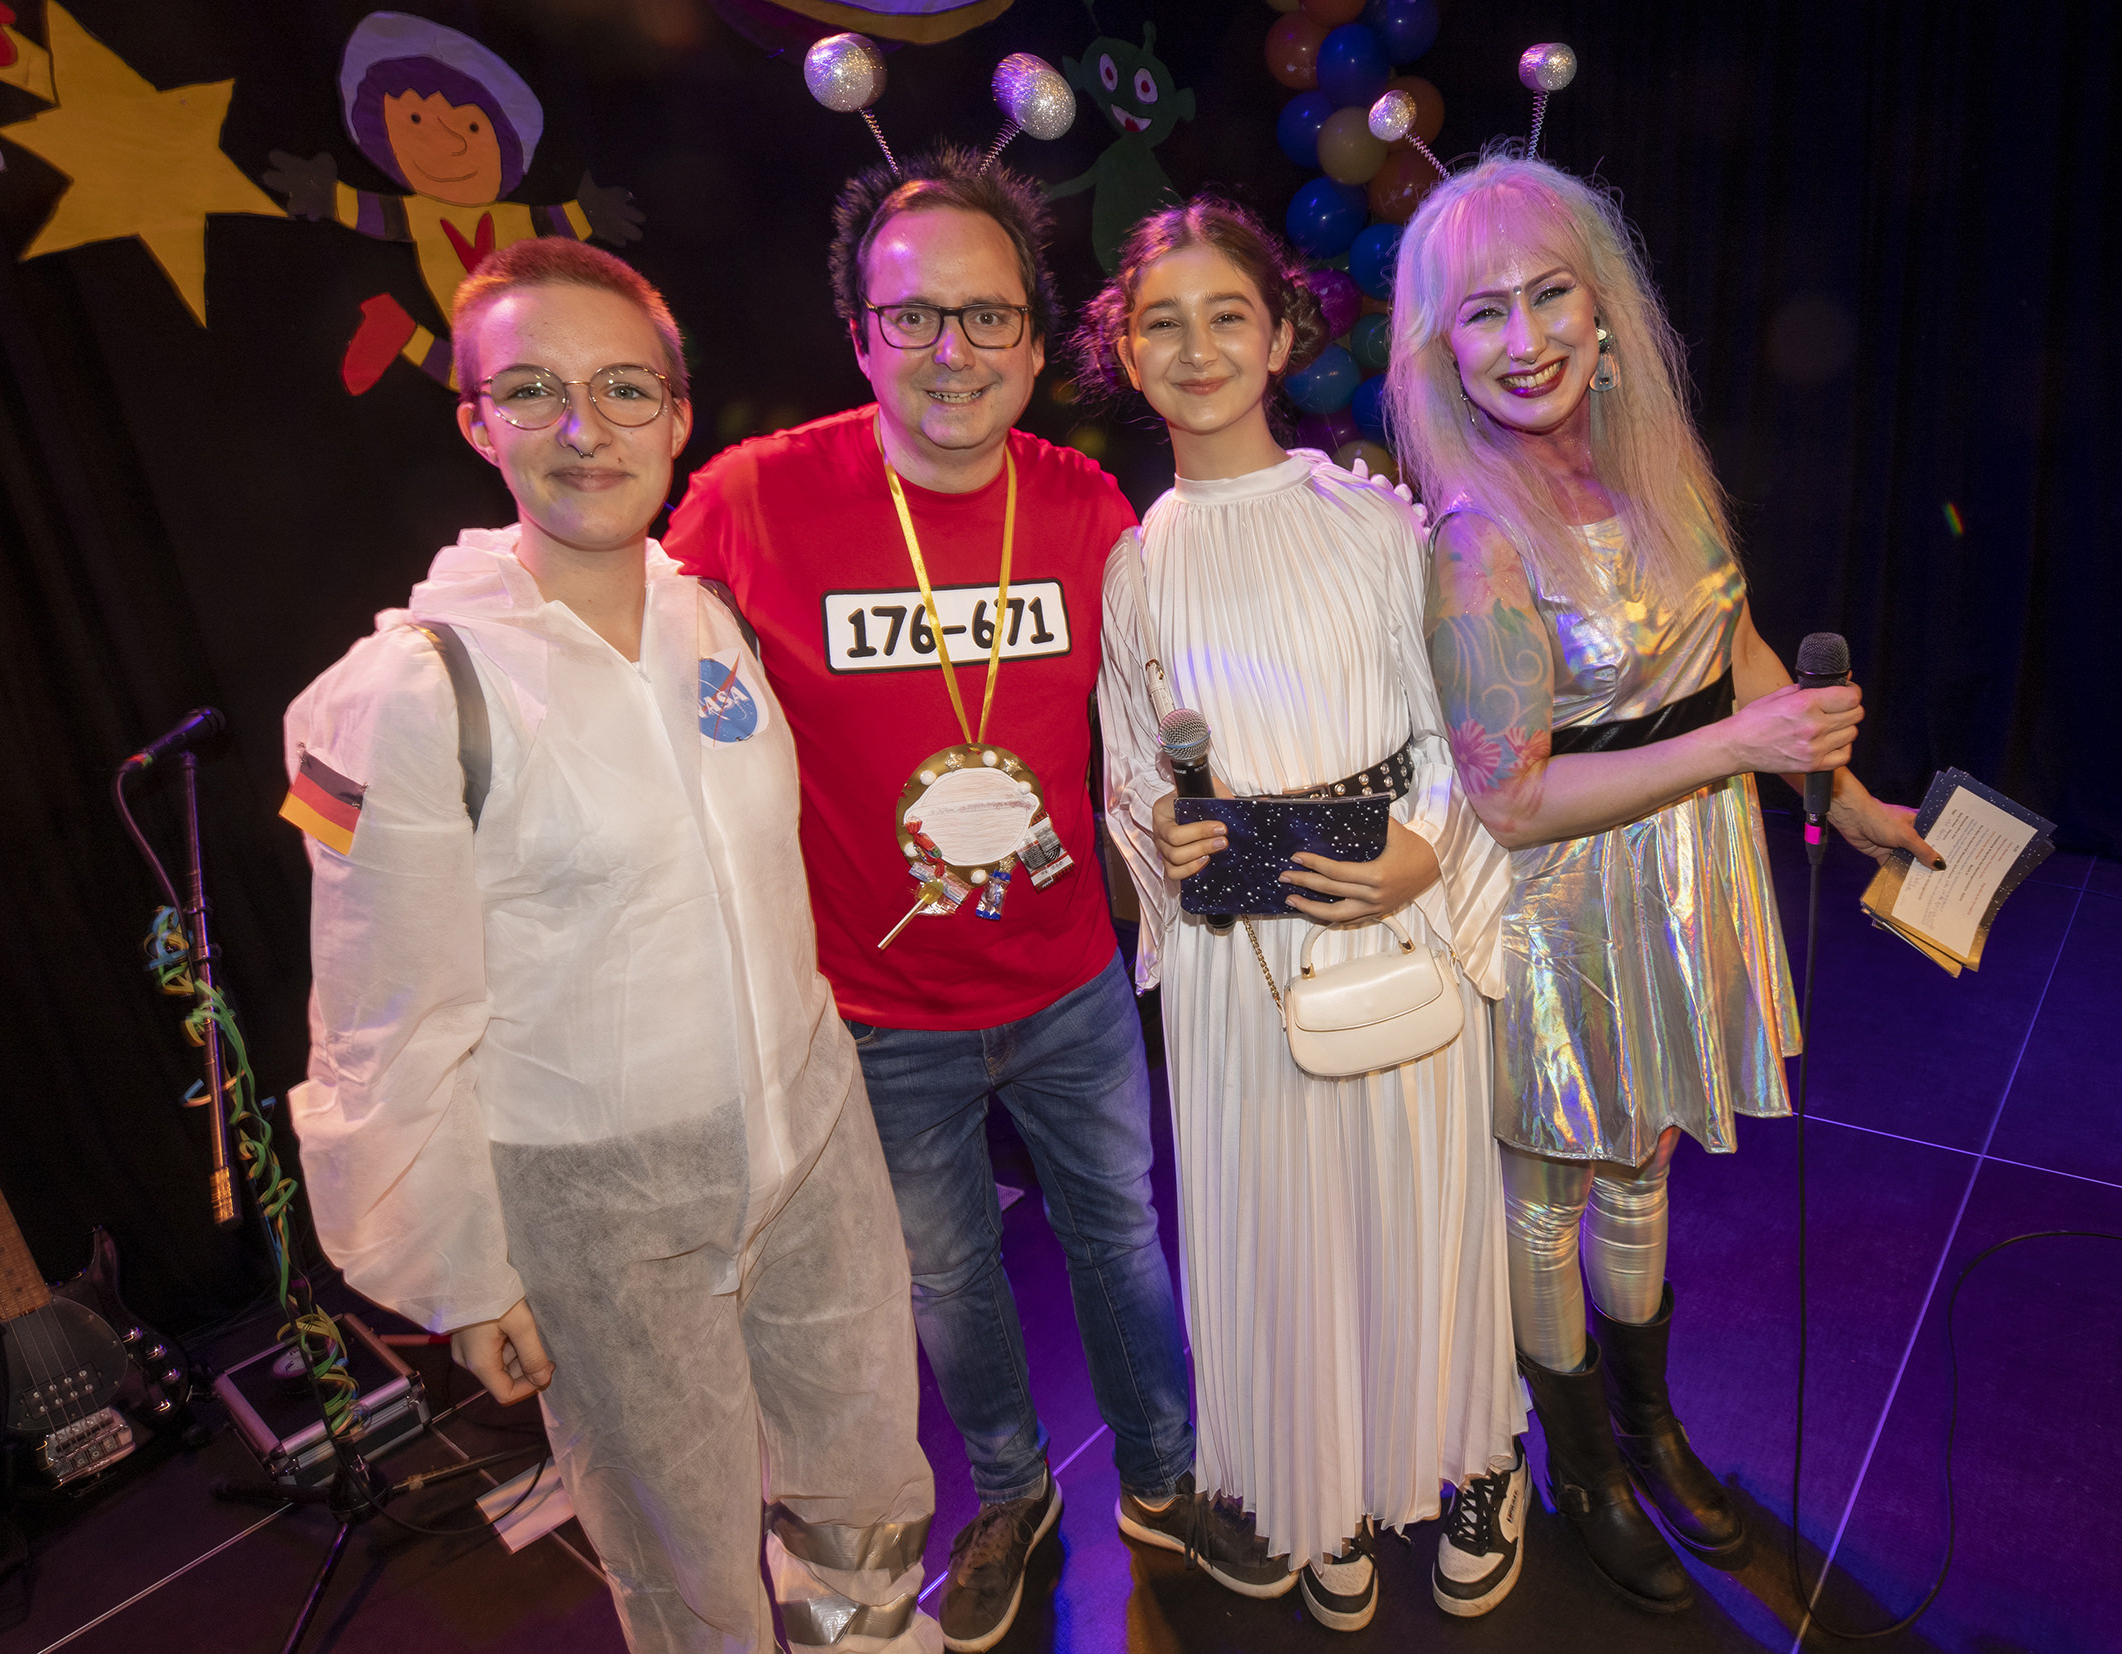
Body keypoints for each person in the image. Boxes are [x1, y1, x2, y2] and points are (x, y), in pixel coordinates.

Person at [282, 237, 938, 1653]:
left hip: (811, 1148)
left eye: (624, 389)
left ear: (678, 414)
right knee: (686, 1556)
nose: (585, 429)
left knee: (864, 1474)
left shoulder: (710, 617)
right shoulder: (414, 693)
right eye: (534, 390)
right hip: (605, 1212)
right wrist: (465, 1274)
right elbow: (387, 1021)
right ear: (477, 422)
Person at [664, 146, 1207, 1653]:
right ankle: (1014, 1496)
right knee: (951, 1278)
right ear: (860, 336)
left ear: (1034, 343)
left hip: (1068, 977)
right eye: (912, 317)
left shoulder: (1087, 504)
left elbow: (1179, 695)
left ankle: (1165, 1481)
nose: (951, 351)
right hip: (876, 1006)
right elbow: (631, 684)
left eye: (986, 318)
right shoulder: (750, 501)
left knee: (1119, 1240)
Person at [1385, 153, 1939, 1614]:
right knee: (1550, 1194)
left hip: (1689, 879)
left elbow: (1730, 648)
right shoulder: (1476, 540)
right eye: (1483, 313)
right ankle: (1581, 1465)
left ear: (1605, 306)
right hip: (1562, 906)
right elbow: (1509, 797)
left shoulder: (1657, 462)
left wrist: (1847, 800)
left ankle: (1651, 1426)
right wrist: (1738, 750)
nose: (1525, 339)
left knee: (1645, 1167)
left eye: (1549, 294)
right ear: (1442, 349)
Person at [1084, 197, 1529, 1632]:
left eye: (1228, 315)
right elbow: (1132, 767)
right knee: (1279, 1235)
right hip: (1238, 959)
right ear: (1127, 355)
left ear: (1280, 337)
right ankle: (1320, 1481)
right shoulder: (1136, 562)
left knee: (1424, 1207)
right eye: (1162, 323)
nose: (1198, 347)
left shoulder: (1374, 520)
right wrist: (1161, 834)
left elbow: (1463, 727)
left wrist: (1426, 852)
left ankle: (1475, 1458)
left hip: (1391, 907)